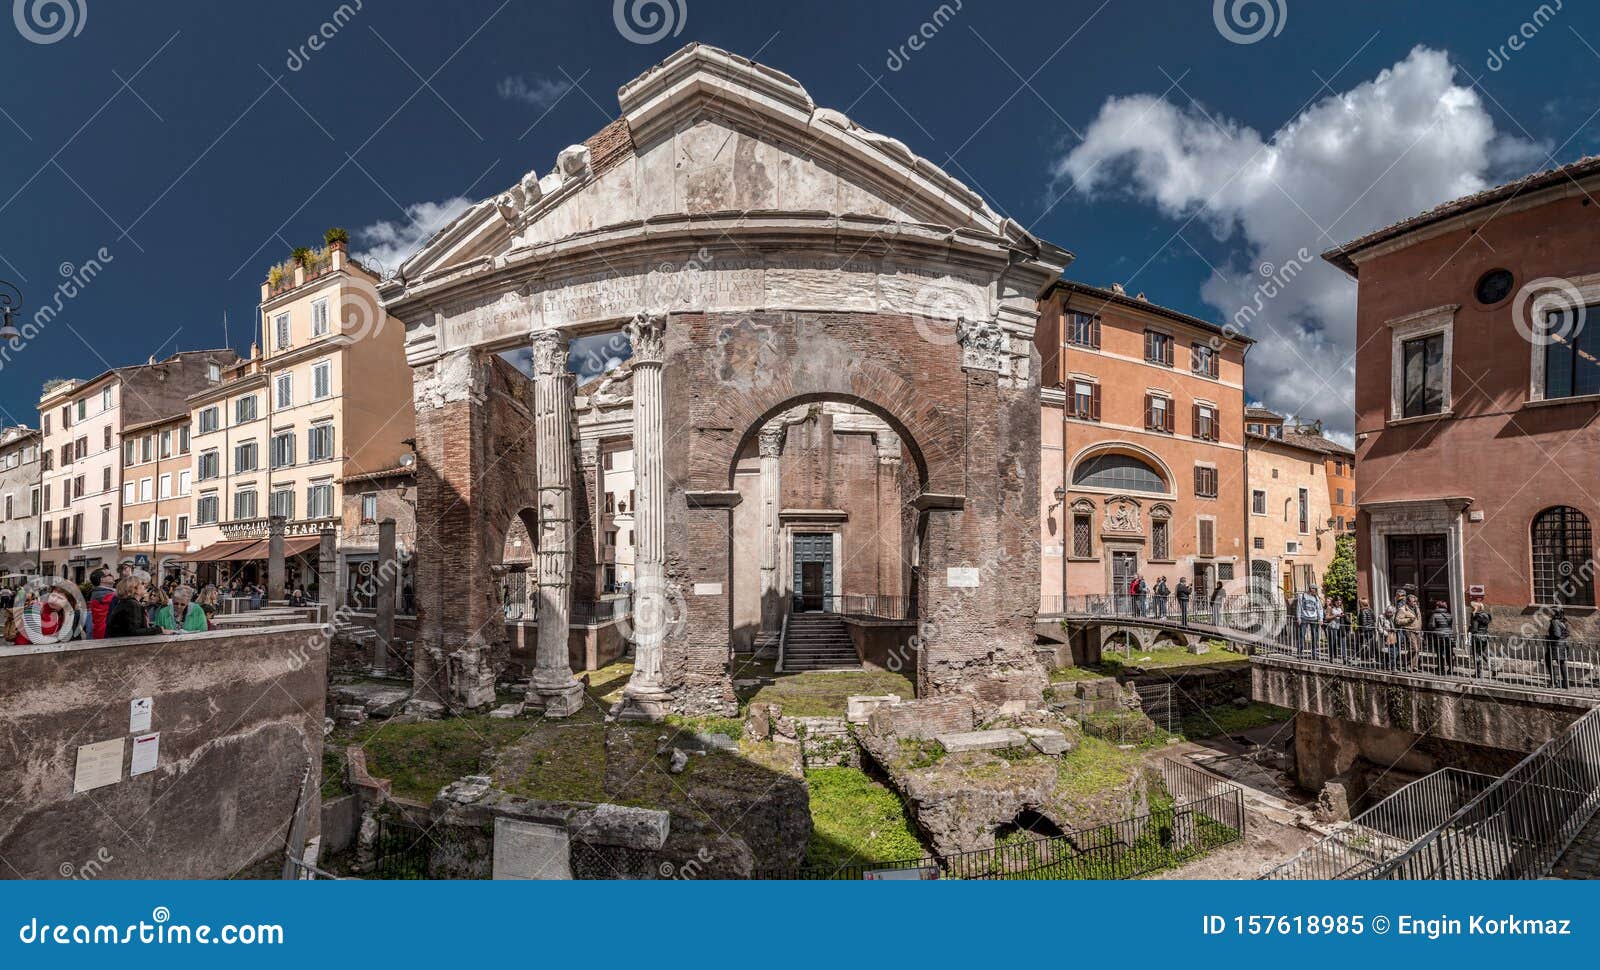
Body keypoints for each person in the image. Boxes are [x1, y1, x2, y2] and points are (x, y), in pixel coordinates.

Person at [6, 587, 81, 645]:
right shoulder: (34, 608)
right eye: (53, 595)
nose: (54, 600)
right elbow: (37, 640)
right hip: (23, 654)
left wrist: (69, 614)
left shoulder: (61, 613)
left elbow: (65, 637)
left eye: (60, 598)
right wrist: (58, 639)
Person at [1546, 605, 1571, 690]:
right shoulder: (1563, 621)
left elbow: (1557, 634)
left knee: (1548, 661)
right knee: (1561, 663)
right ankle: (1565, 683)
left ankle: (1553, 682)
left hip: (1555, 645)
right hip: (1563, 644)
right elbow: (1567, 633)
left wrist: (1548, 638)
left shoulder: (1555, 622)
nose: (1549, 613)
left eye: (1550, 612)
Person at [87, 568, 116, 640]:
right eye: (109, 574)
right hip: (105, 634)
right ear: (102, 579)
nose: (112, 576)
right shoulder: (103, 594)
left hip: (100, 632)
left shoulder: (98, 592)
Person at [1393, 592, 1420, 670]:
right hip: (1409, 630)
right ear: (1408, 602)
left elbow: (1419, 619)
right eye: (1413, 601)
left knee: (1417, 649)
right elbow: (1397, 621)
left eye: (1416, 601)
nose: (1415, 603)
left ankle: (1414, 666)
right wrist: (1408, 620)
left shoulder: (1417, 608)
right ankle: (1408, 664)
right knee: (1413, 649)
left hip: (1417, 630)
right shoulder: (1402, 609)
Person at [1295, 585, 1323, 658]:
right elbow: (1299, 607)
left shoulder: (1316, 598)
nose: (1314, 591)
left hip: (1314, 618)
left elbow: (1319, 608)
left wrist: (1321, 619)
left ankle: (1314, 653)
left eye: (1315, 589)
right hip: (1304, 618)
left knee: (1315, 636)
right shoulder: (1302, 596)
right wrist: (1298, 617)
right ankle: (1299, 652)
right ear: (1310, 589)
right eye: (1313, 589)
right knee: (1301, 635)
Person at [1427, 599, 1454, 675]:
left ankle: (1441, 668)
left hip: (1439, 636)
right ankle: (1451, 669)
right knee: (1449, 653)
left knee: (1439, 652)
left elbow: (1431, 626)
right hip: (1449, 635)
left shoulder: (1435, 615)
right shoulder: (1449, 614)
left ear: (1437, 606)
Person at [1468, 598, 1492, 679]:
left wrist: (1472, 617)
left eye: (1472, 607)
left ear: (1476, 608)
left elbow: (1474, 629)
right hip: (1485, 636)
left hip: (1477, 637)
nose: (1471, 608)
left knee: (1476, 654)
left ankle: (1478, 674)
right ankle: (1493, 667)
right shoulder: (1487, 615)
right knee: (1481, 653)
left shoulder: (1476, 616)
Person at [1326, 596, 1346, 662]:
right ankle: (1331, 657)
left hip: (1340, 627)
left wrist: (1343, 615)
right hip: (1332, 627)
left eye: (1340, 600)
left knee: (1343, 642)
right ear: (1334, 601)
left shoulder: (1341, 608)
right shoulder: (1330, 608)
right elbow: (1327, 618)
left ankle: (1344, 658)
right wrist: (1335, 616)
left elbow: (1342, 615)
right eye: (1338, 600)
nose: (1339, 602)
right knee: (1332, 643)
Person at [1356, 598, 1375, 665]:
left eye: (1359, 603)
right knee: (1370, 644)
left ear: (1362, 603)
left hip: (1364, 630)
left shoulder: (1362, 611)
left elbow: (1363, 622)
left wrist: (1362, 631)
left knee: (1360, 643)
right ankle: (1372, 658)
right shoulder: (1371, 610)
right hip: (1371, 629)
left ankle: (1359, 656)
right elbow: (1374, 619)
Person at [1379, 606, 1398, 670]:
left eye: (1392, 613)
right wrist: (1385, 634)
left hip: (1393, 635)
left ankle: (1393, 666)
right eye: (1389, 613)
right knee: (1386, 652)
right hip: (1386, 636)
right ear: (1386, 611)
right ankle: (1386, 665)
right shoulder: (1381, 617)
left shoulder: (1393, 617)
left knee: (1393, 652)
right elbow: (1379, 628)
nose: (1391, 614)